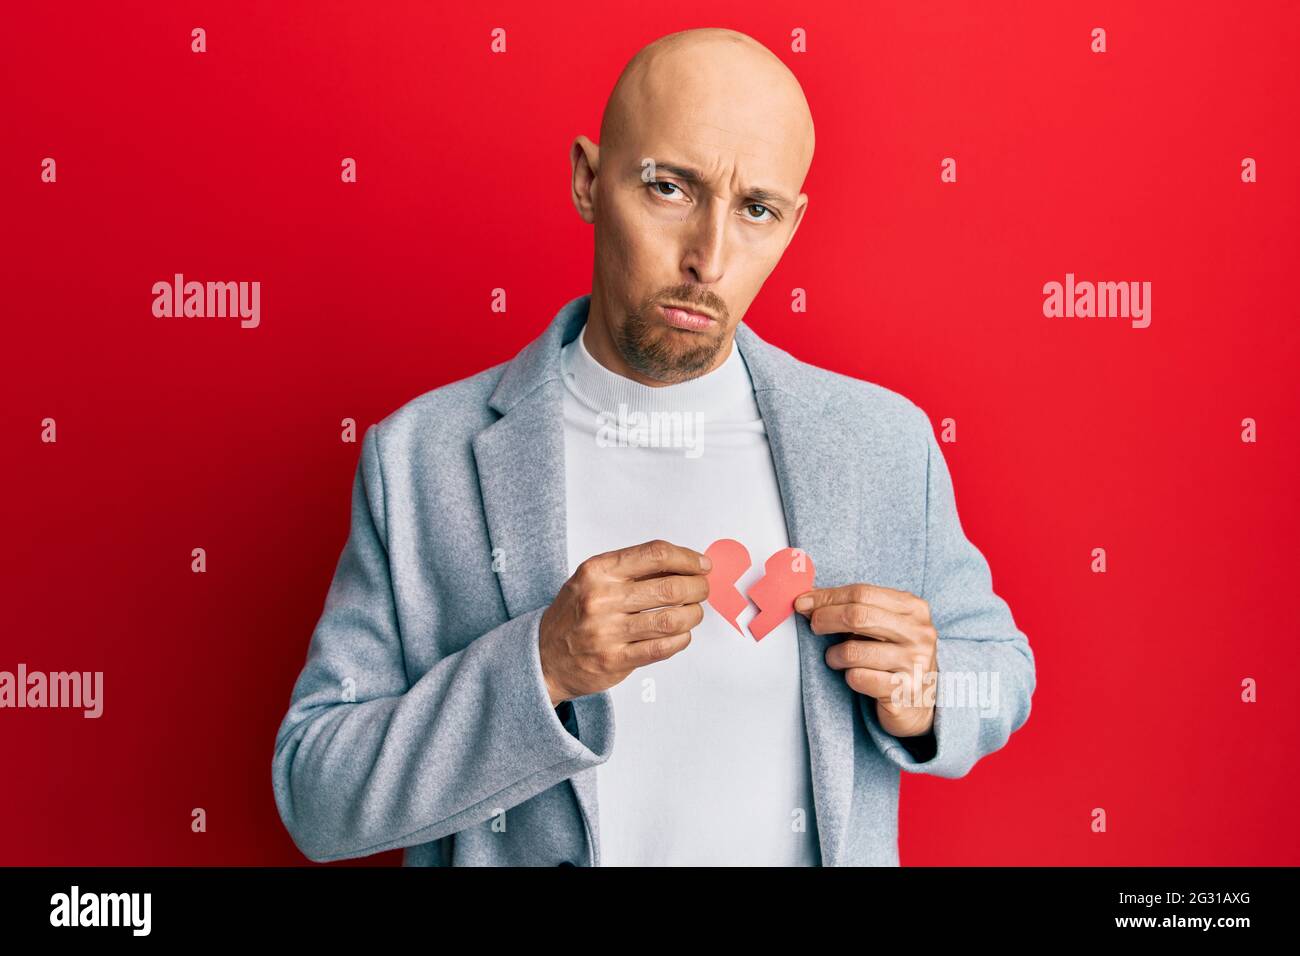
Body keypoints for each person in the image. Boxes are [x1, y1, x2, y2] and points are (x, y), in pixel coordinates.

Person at [271, 27, 1035, 867]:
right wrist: (542, 664)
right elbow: (316, 793)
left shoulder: (884, 443)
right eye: (671, 187)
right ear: (590, 181)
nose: (708, 258)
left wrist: (927, 692)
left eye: (756, 210)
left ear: (792, 224)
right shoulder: (419, 458)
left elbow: (999, 673)